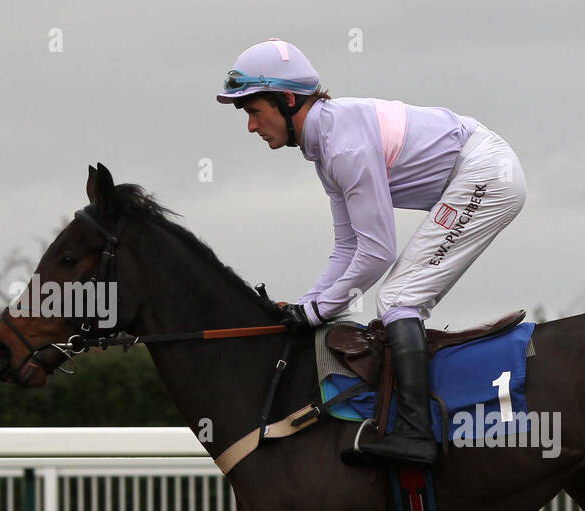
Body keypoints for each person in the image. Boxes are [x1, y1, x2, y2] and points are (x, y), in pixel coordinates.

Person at [217, 38, 526, 468]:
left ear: (287, 100)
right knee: (398, 296)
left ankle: (416, 434)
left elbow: (378, 252)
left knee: (399, 297)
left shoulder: (342, 146)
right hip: (479, 167)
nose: (251, 126)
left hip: (488, 172)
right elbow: (348, 246)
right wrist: (308, 305)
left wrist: (315, 312)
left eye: (254, 111)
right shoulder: (326, 145)